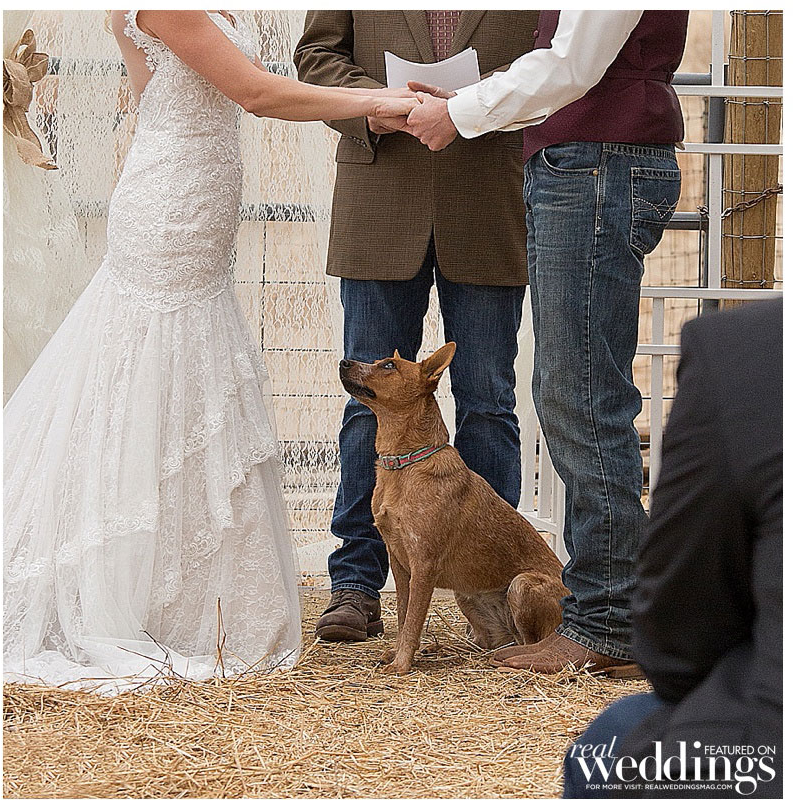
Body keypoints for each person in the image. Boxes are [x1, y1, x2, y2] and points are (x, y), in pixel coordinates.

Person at [3, 9, 417, 692]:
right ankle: (132, 589)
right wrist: (375, 100)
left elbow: (151, 96)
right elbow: (254, 92)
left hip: (195, 194)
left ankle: (171, 590)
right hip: (168, 202)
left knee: (181, 373)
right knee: (150, 365)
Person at [408, 11, 689, 675]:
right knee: (578, 389)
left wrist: (465, 111)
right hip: (589, 162)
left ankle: (611, 620)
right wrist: (474, 105)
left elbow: (572, 65)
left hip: (597, 164)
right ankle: (620, 611)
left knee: (580, 392)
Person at [293, 10, 540, 642]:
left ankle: (490, 593)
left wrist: (474, 106)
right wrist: (372, 106)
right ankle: (355, 582)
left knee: (488, 402)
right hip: (380, 204)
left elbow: (554, 68)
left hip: (488, 203)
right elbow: (316, 58)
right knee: (366, 402)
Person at [563, 298, 782, 798]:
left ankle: (600, 620)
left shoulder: (748, 351)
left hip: (771, 752)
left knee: (609, 737)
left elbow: (676, 644)